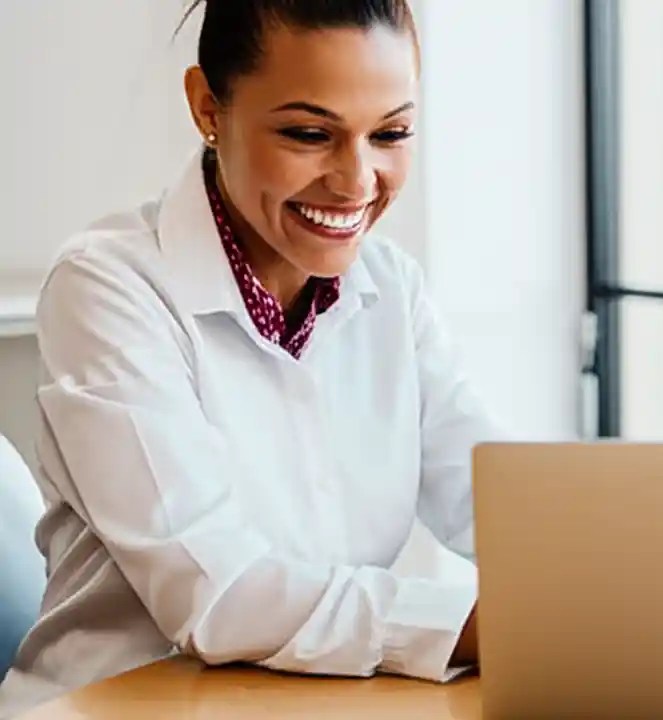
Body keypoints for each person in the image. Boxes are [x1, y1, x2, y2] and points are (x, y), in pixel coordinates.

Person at [0, 1, 494, 715]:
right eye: (309, 133)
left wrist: (624, 578)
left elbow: (498, 493)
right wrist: (473, 625)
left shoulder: (392, 288)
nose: (357, 181)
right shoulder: (106, 286)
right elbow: (219, 591)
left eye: (391, 132)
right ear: (208, 106)